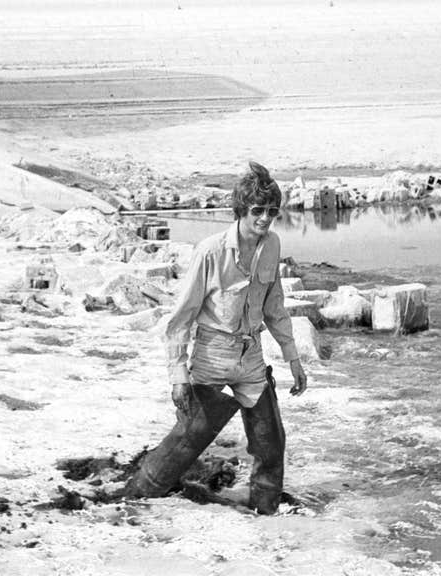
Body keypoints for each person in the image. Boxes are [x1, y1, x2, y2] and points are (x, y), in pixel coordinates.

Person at [124, 162, 308, 514]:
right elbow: (180, 319)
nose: (265, 219)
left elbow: (275, 308)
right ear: (241, 210)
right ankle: (137, 494)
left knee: (271, 443)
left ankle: (265, 509)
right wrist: (178, 376)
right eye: (258, 211)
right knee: (190, 437)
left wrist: (293, 358)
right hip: (213, 353)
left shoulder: (272, 246)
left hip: (251, 355)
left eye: (272, 211)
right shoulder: (210, 251)